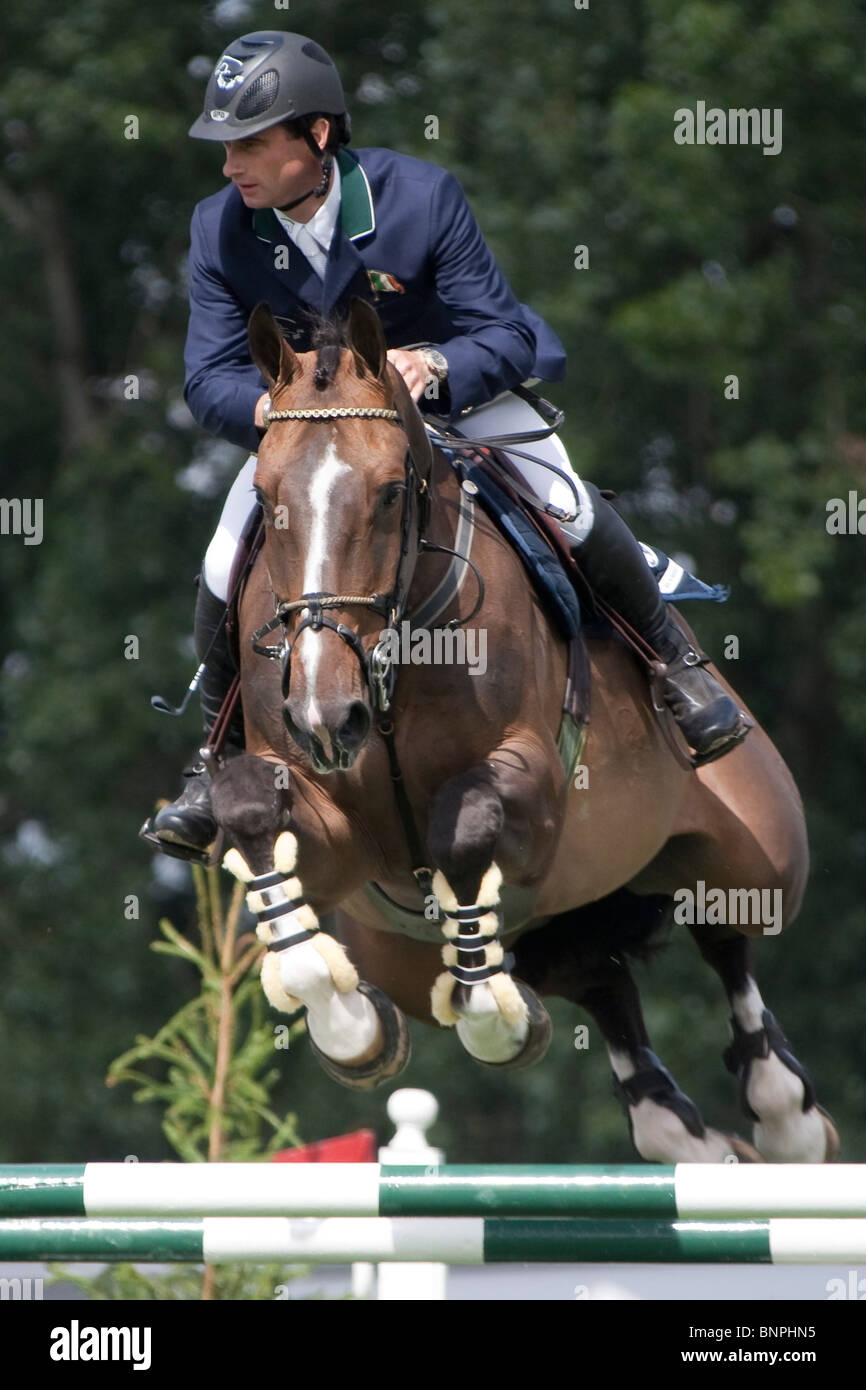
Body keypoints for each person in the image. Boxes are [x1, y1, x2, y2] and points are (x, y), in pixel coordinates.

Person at [148, 29, 746, 858]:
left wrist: (433, 360)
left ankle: (674, 666)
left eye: (249, 144)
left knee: (566, 504)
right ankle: (213, 760)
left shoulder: (418, 197)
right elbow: (207, 378)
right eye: (223, 148)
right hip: (315, 438)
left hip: (453, 405)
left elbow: (503, 332)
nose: (229, 167)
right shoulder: (218, 229)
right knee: (223, 558)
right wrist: (286, 415)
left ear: (316, 136)